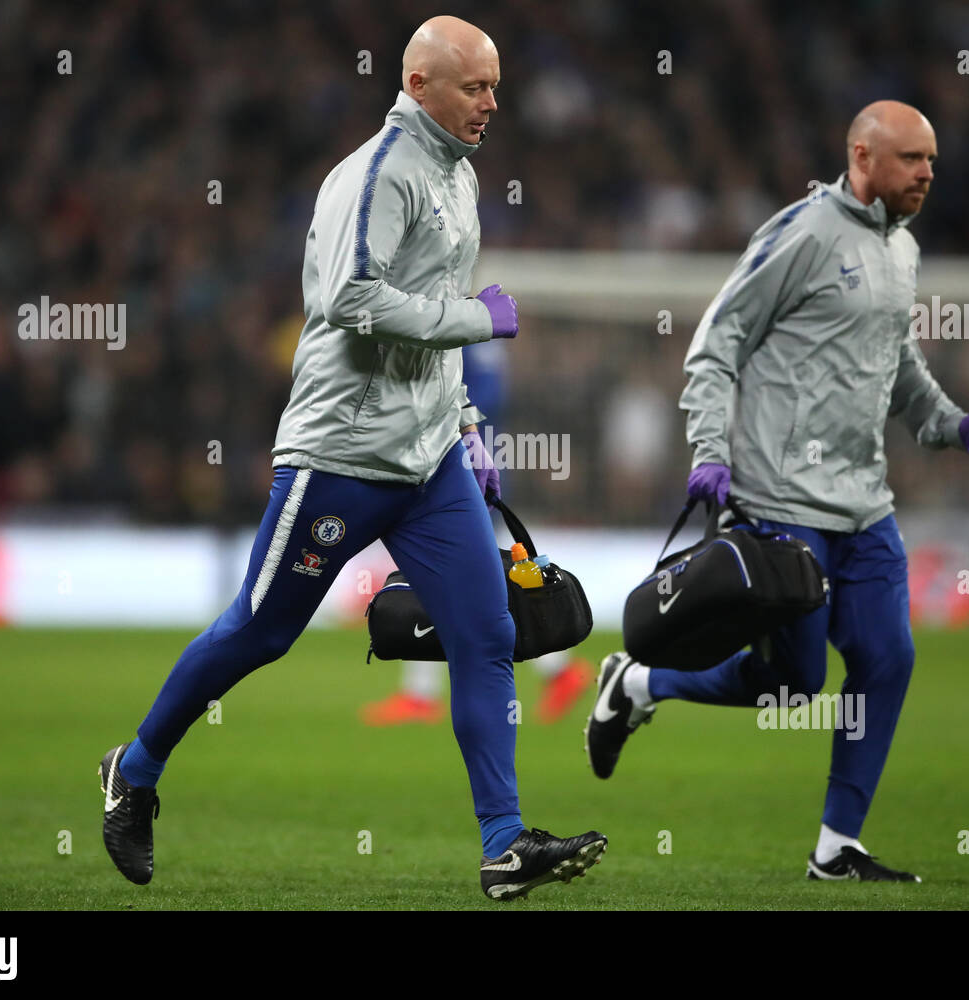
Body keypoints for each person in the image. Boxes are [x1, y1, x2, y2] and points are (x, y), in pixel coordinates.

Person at [99, 15, 606, 901]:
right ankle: (133, 772)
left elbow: (435, 314)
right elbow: (348, 300)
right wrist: (478, 319)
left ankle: (503, 842)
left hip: (429, 461)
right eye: (476, 86)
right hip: (338, 455)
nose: (494, 101)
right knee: (262, 631)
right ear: (418, 84)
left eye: (496, 85)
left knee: (487, 637)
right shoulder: (374, 175)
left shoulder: (460, 176)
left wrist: (466, 422)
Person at [587, 101, 969, 882]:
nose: (927, 174)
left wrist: (948, 422)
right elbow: (716, 341)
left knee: (888, 659)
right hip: (779, 498)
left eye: (932, 160)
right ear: (862, 156)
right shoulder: (803, 234)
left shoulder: (902, 249)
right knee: (796, 683)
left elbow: (895, 357)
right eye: (912, 159)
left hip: (865, 505)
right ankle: (639, 682)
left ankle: (836, 849)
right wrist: (711, 450)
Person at [361, 338, 592, 727]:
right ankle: (558, 669)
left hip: (460, 469)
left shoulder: (454, 326)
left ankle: (424, 694)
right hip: (468, 465)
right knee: (469, 578)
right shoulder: (471, 327)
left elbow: (466, 396)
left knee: (461, 577)